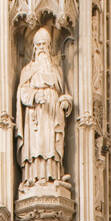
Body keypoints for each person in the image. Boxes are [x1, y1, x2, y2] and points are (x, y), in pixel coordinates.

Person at [16, 27, 72, 186]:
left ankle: (53, 176)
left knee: (51, 147)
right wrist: (34, 96)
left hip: (53, 114)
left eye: (44, 45)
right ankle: (33, 178)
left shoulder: (57, 70)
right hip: (35, 115)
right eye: (38, 45)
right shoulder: (27, 70)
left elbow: (65, 93)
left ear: (49, 47)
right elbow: (22, 92)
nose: (41, 48)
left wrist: (65, 102)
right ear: (34, 48)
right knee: (36, 147)